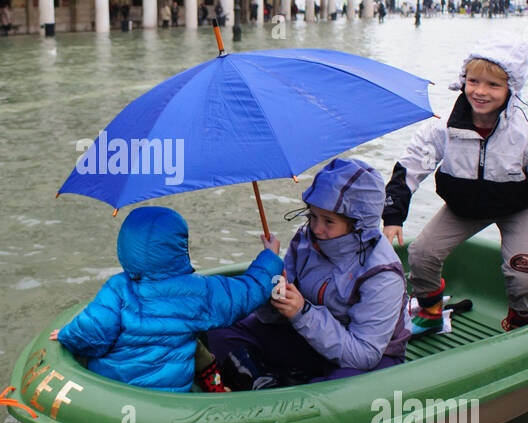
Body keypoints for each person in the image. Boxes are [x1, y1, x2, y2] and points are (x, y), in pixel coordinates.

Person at [382, 43, 528, 334]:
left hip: (516, 209)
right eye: (473, 81)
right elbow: (409, 168)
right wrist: (392, 217)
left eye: (493, 85)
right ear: (463, 81)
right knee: (421, 255)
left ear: (511, 88)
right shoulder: (444, 127)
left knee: (522, 274)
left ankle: (519, 322)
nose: (480, 91)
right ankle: (430, 311)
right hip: (463, 208)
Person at [204, 159, 411, 390]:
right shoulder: (305, 241)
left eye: (329, 221)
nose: (316, 228)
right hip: (309, 340)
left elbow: (365, 355)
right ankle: (261, 384)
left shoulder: (381, 273)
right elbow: (270, 317)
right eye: (313, 216)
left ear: (359, 224)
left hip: (366, 359)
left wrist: (302, 313)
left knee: (337, 388)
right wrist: (271, 278)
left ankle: (290, 390)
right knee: (223, 323)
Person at [50, 207, 284, 393]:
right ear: (180, 248)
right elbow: (246, 293)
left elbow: (92, 331)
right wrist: (270, 257)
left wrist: (65, 334)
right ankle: (217, 390)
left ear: (125, 247)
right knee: (197, 352)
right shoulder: (199, 290)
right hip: (167, 397)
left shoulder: (118, 288)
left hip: (112, 389)